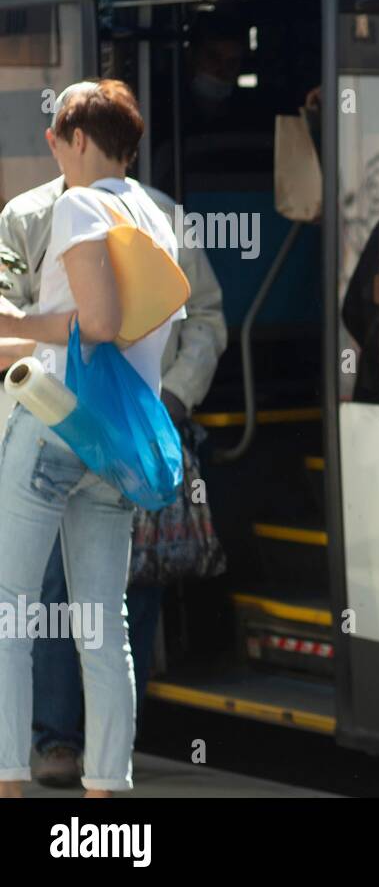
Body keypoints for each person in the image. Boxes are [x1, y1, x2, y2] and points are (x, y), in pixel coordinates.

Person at [0, 87, 228, 786]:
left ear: (75, 140)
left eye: (57, 140)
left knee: (13, 615)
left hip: (56, 423)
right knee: (106, 627)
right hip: (116, 446)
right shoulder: (157, 217)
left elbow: (94, 326)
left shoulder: (75, 204)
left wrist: (10, 330)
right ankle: (109, 788)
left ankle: (8, 777)